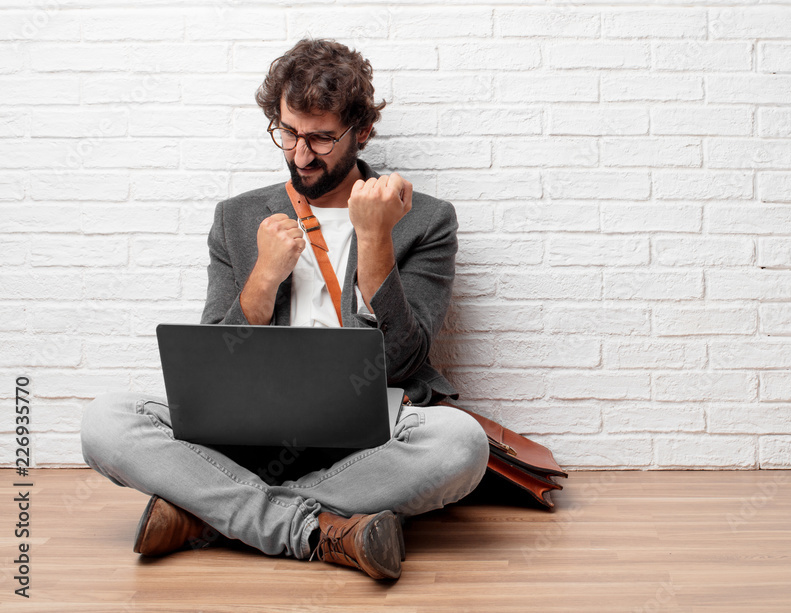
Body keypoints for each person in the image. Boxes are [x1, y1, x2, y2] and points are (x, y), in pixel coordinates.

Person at [79, 38, 490, 581]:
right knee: (105, 420)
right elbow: (211, 365)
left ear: (361, 131)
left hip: (370, 432)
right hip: (248, 429)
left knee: (461, 443)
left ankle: (207, 514)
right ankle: (319, 530)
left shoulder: (423, 219)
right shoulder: (237, 216)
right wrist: (262, 279)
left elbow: (406, 362)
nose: (300, 154)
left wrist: (375, 245)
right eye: (288, 133)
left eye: (321, 138)